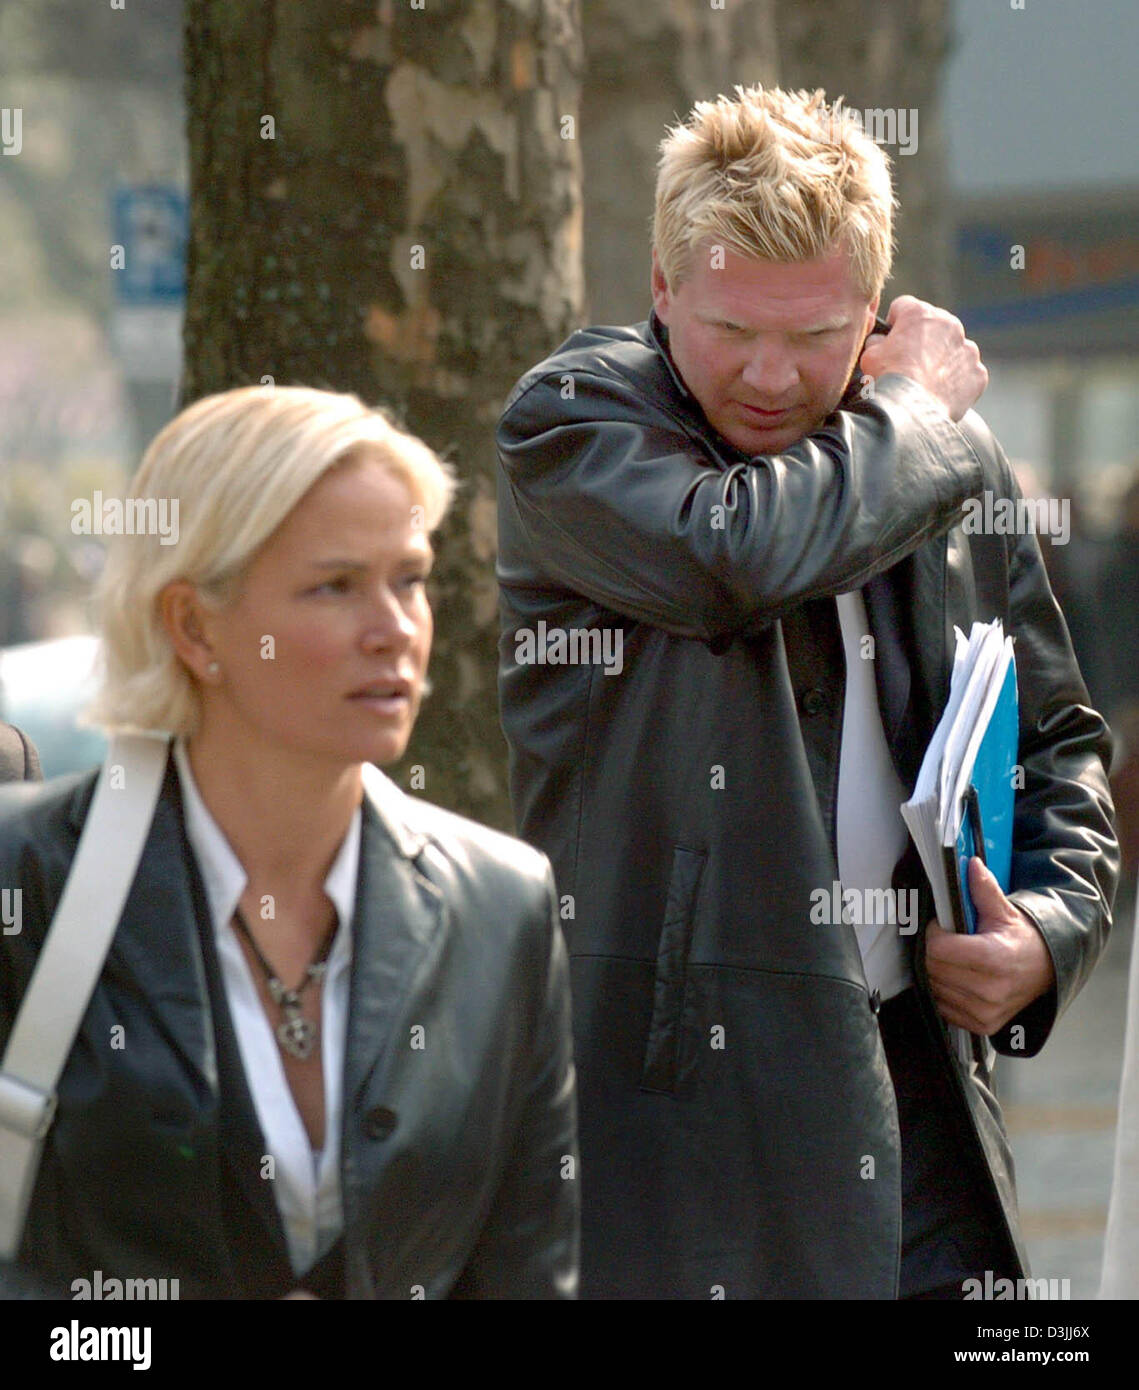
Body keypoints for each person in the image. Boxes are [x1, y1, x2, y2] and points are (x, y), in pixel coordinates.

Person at [496, 85, 1118, 1299]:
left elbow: (1057, 745)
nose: (772, 376)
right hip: (677, 1127)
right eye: (732, 328)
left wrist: (1045, 935)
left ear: (875, 315)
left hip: (922, 1104)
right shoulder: (574, 417)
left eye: (817, 334)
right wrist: (911, 414)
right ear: (663, 291)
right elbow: (733, 558)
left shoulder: (938, 450)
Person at [0, 385, 578, 1299]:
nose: (394, 630)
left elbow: (526, 1275)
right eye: (335, 585)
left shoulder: (502, 903)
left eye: (410, 578)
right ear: (192, 625)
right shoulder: (26, 876)